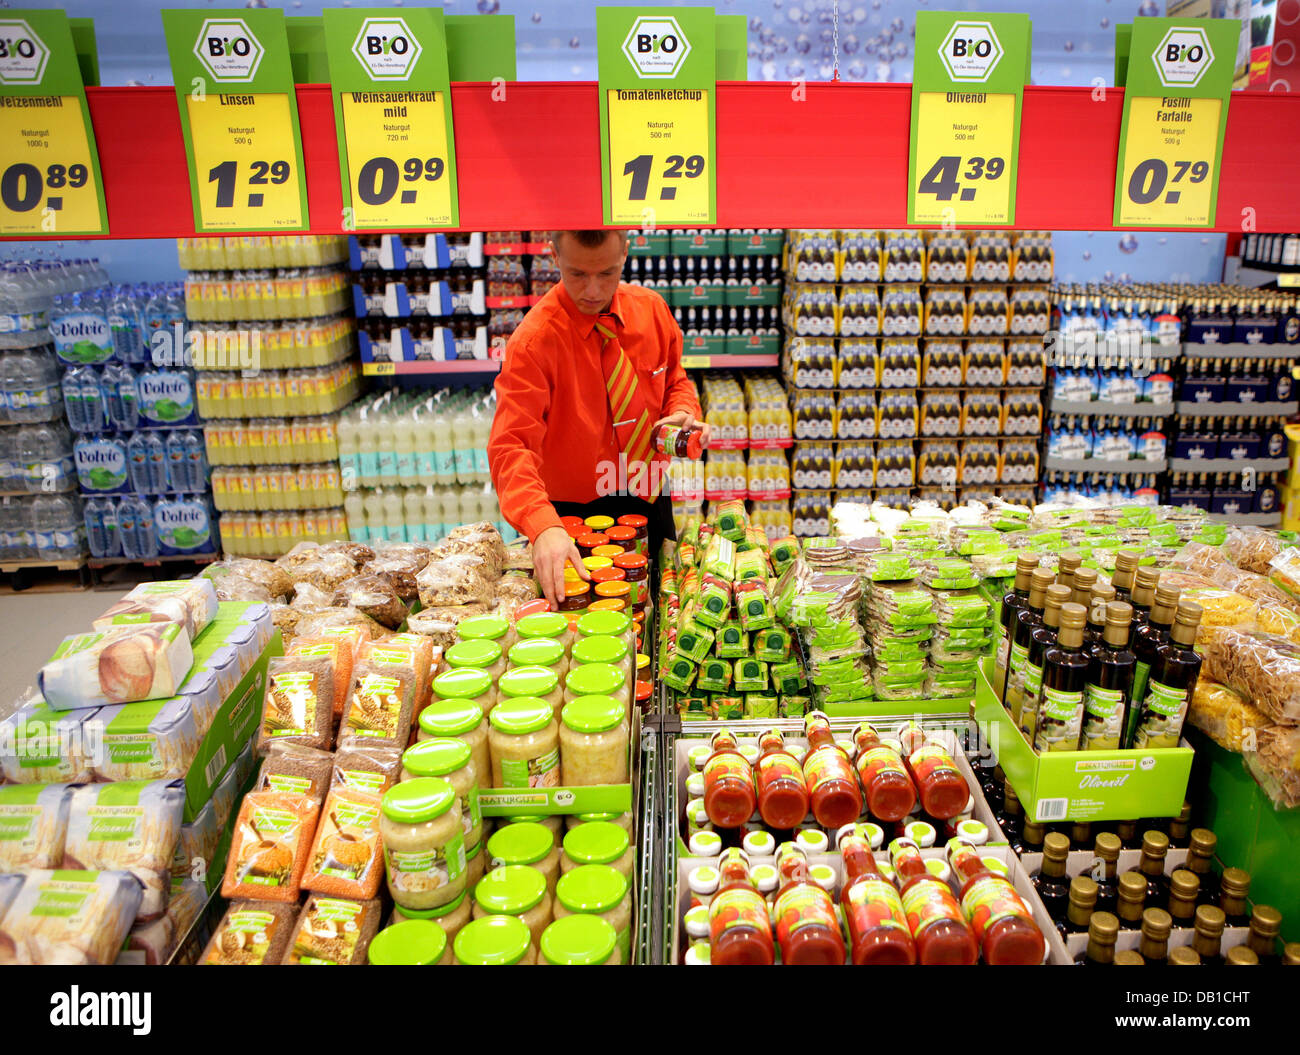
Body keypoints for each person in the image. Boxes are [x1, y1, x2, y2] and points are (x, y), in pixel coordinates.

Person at [488, 229, 708, 610]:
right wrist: (542, 526)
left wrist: (683, 412)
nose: (592, 290)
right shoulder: (533, 342)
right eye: (577, 275)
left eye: (606, 274)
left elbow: (675, 379)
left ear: (625, 252)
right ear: (554, 255)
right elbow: (511, 446)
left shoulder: (652, 311)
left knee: (660, 614)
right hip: (572, 517)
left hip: (650, 496)